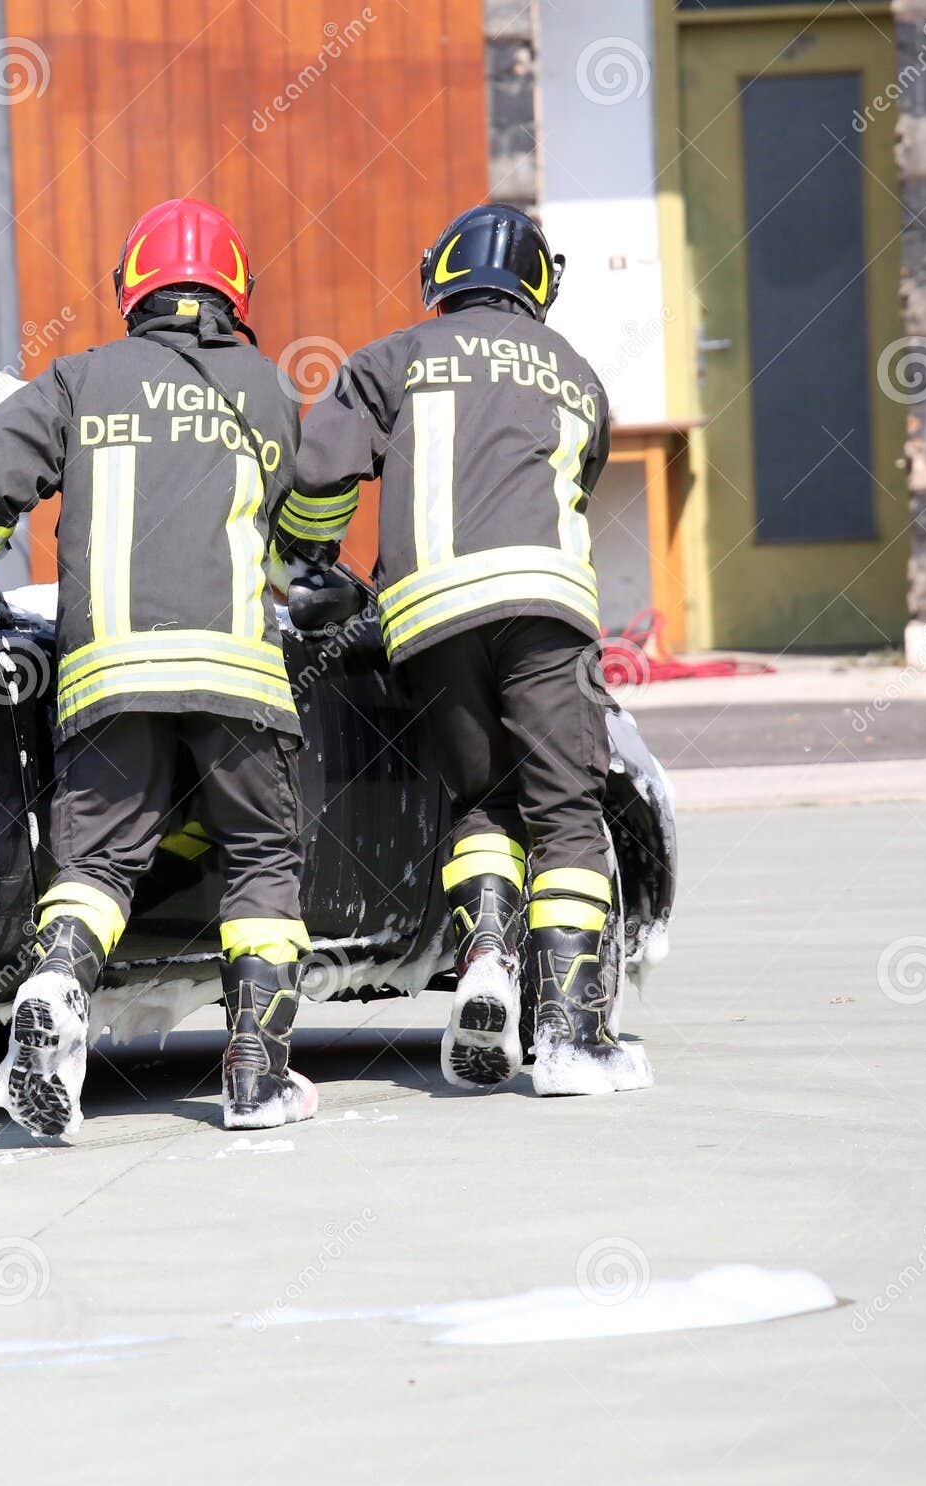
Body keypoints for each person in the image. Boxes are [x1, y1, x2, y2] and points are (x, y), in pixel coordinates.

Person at [0, 197, 316, 1138]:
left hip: (107, 677)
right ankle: (256, 1077)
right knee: (260, 856)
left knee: (95, 865)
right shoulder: (267, 391)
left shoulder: (80, 379)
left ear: (132, 288)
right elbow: (297, 540)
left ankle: (54, 986)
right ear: (235, 289)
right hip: (239, 679)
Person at [276, 203, 651, 1097]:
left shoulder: (392, 358)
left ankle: (485, 956)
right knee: (565, 815)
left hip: (429, 620)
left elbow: (319, 475)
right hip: (545, 610)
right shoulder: (577, 374)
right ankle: (570, 1036)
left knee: (481, 801)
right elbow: (574, 484)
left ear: (441, 273)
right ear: (538, 286)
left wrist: (315, 557)